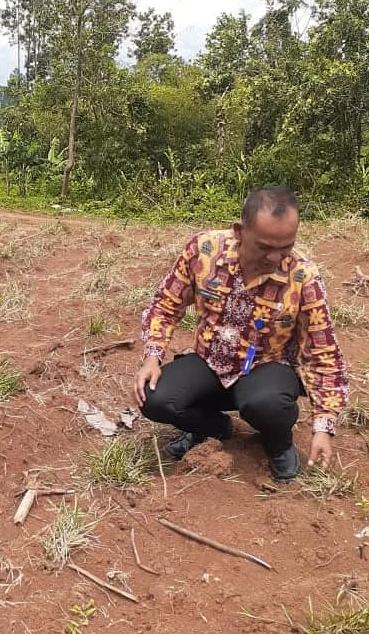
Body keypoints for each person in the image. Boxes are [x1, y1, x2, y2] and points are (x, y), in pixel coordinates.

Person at [133, 186, 349, 482]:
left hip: (266, 368)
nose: (275, 257)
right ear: (239, 231)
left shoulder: (303, 277)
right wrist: (152, 356)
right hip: (209, 360)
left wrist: (323, 425)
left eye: (285, 247)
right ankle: (212, 429)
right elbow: (165, 305)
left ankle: (277, 443)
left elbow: (323, 351)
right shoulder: (203, 251)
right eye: (264, 247)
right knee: (153, 397)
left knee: (266, 404)